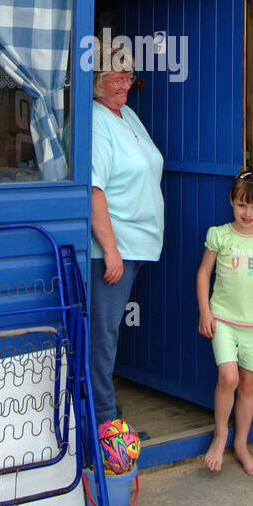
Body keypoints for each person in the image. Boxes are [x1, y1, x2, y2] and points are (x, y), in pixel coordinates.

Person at [90, 52, 164, 429]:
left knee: (110, 330)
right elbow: (94, 191)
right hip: (112, 248)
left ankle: (104, 410)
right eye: (115, 79)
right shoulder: (94, 120)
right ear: (97, 81)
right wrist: (110, 251)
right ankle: (102, 419)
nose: (124, 86)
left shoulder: (126, 114)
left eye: (129, 78)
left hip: (137, 243)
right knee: (101, 335)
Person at [197, 169, 253, 476]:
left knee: (247, 384)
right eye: (242, 205)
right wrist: (205, 311)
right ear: (231, 200)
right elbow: (204, 273)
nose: (248, 213)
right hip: (223, 319)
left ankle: (241, 445)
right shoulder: (220, 235)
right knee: (229, 378)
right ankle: (221, 435)